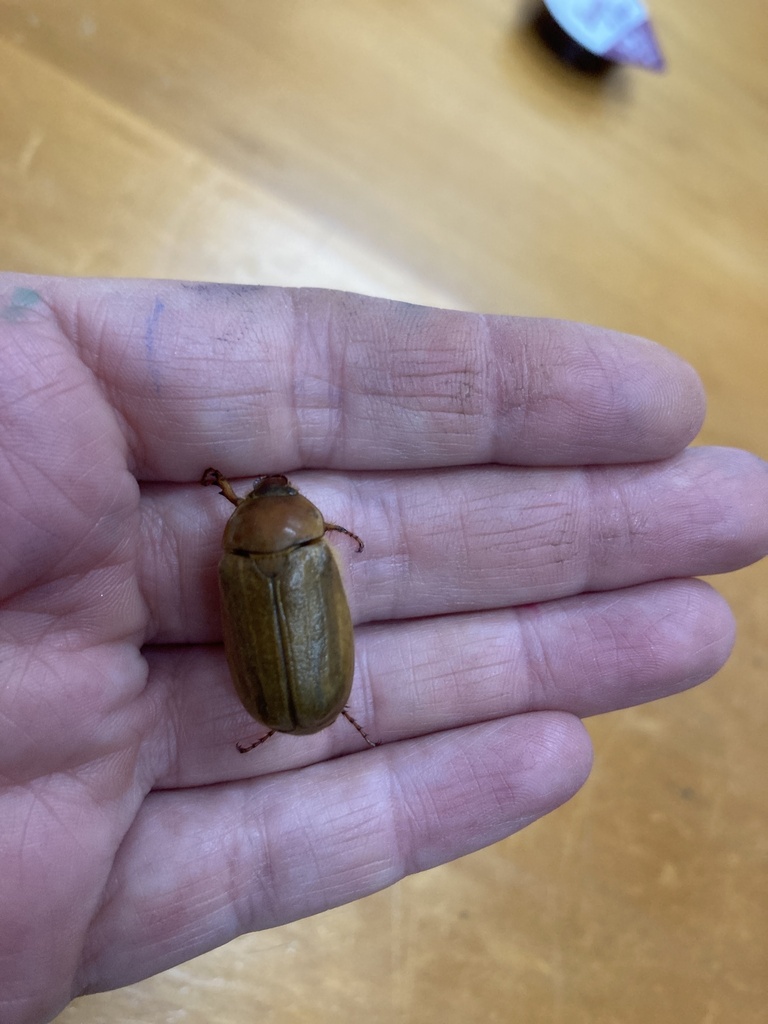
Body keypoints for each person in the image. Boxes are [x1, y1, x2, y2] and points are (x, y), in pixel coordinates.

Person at [1, 273, 766, 1024]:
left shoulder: (232, 555)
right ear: (315, 527)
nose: (272, 491)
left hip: (276, 691)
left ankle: (308, 714)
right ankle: (321, 713)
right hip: (311, 689)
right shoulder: (310, 552)